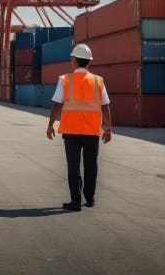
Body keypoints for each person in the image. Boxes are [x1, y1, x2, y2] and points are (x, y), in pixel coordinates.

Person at [46, 43, 112, 211]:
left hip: (71, 131)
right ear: (89, 63)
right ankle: (89, 198)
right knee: (91, 166)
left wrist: (50, 125)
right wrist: (108, 129)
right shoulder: (98, 81)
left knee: (73, 167)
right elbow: (105, 107)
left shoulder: (65, 80)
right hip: (91, 131)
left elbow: (56, 105)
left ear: (74, 61)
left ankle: (75, 201)